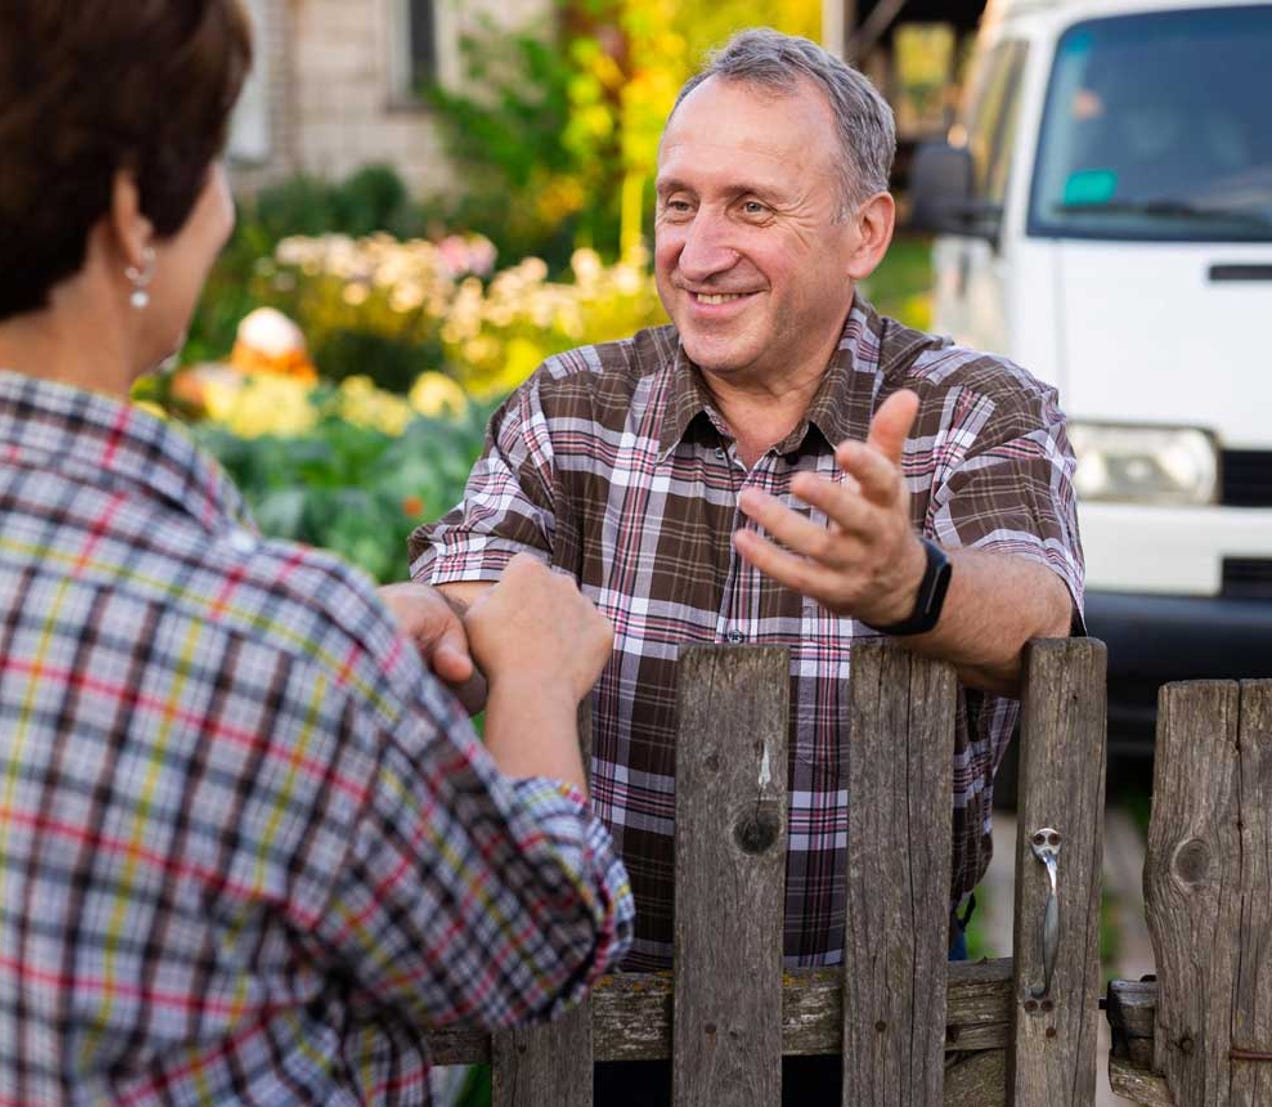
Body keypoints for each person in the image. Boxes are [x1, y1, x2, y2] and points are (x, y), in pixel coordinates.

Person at [0, 3, 632, 1104]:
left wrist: (327, 654)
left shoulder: (273, 650)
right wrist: (537, 679)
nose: (222, 208)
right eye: (212, 157)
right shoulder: (271, 655)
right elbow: (538, 944)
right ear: (136, 212)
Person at [411, 28, 1083, 1102]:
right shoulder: (570, 406)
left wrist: (912, 587)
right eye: (678, 204)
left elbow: (1040, 620)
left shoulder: (970, 411)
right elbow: (468, 578)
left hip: (880, 1006)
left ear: (864, 233)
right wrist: (415, 608)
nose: (698, 248)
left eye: (751, 207)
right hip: (599, 1007)